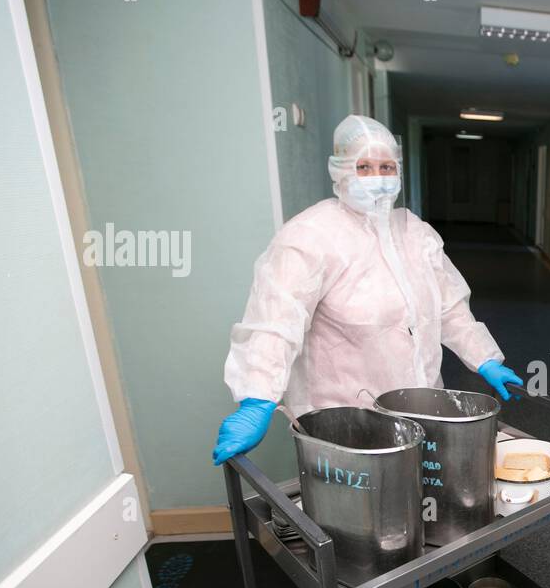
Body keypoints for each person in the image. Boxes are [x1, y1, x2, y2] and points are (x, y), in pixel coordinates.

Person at [213, 115, 521, 465]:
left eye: (387, 167)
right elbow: (276, 320)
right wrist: (257, 398)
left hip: (420, 402)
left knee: (418, 496)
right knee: (354, 509)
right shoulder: (309, 236)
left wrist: (484, 358)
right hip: (346, 417)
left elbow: (449, 307)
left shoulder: (415, 233)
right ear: (339, 170)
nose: (379, 177)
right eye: (365, 166)